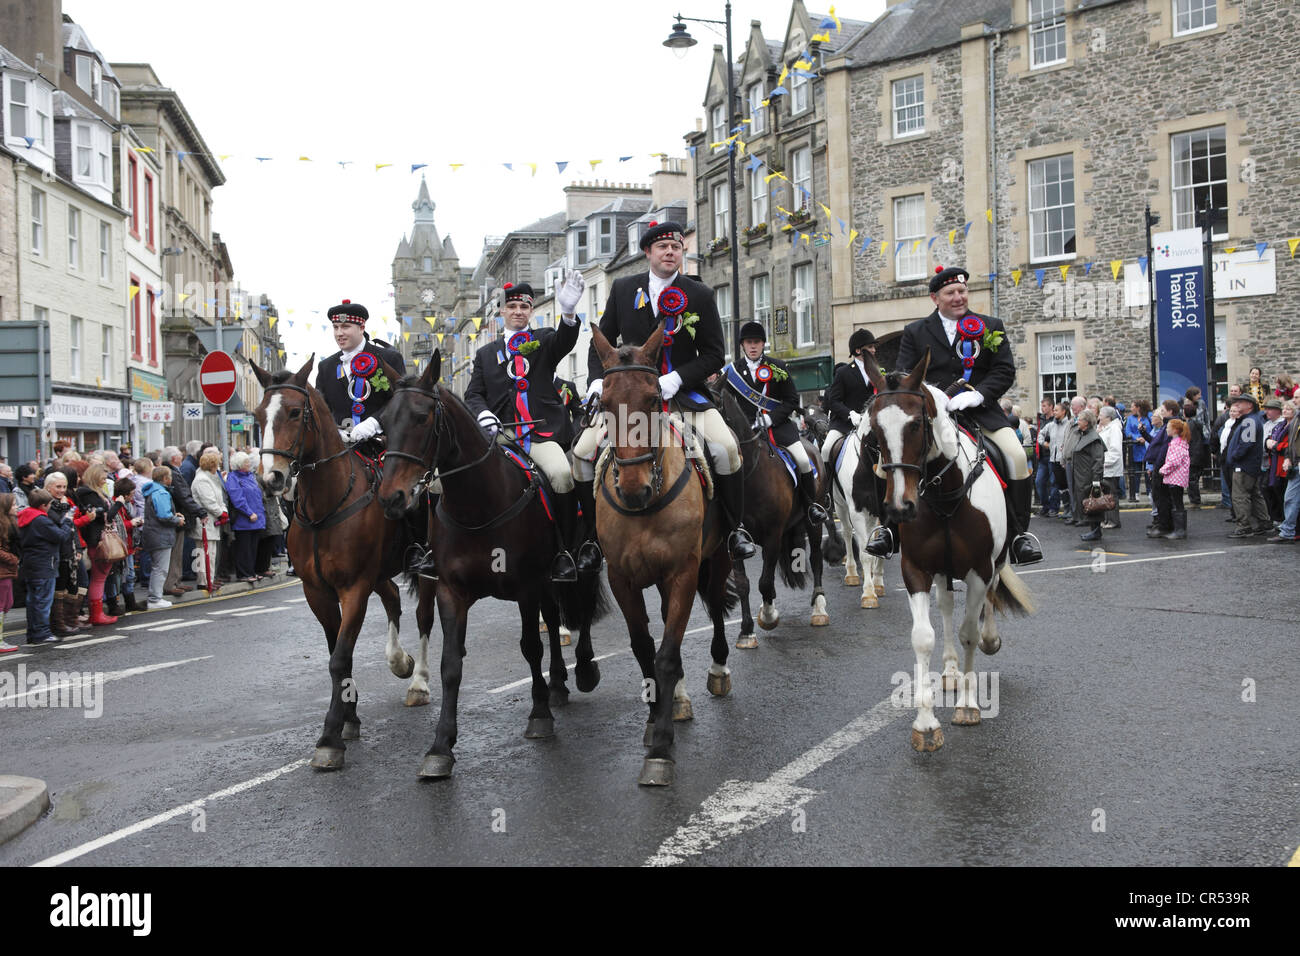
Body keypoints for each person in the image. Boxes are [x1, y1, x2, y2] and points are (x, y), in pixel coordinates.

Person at [571, 221, 755, 565]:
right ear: (648, 253)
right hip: (632, 403)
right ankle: (591, 540)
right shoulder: (625, 289)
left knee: (727, 448)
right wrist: (598, 382)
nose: (670, 252)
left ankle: (734, 530)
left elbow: (715, 353)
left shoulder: (699, 294)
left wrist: (677, 378)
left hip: (685, 398)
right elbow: (602, 346)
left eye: (676, 247)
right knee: (582, 453)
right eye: (662, 247)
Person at [884, 266, 1041, 564]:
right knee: (892, 459)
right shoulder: (915, 331)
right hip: (934, 416)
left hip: (981, 413)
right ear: (935, 298)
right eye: (950, 293)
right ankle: (889, 530)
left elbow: (1004, 369)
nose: (959, 297)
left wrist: (978, 394)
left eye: (962, 291)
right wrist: (935, 396)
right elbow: (903, 374)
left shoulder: (990, 325)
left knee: (1017, 456)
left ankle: (1019, 535)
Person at [465, 274, 585, 581]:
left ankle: (567, 552)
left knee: (560, 475)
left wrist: (569, 314)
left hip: (539, 434)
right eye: (512, 306)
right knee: (452, 479)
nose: (518, 311)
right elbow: (474, 394)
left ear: (530, 311)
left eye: (523, 307)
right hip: (501, 436)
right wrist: (483, 415)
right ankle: (448, 550)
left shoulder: (544, 340)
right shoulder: (485, 355)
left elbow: (565, 341)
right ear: (502, 312)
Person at [722, 320, 829, 524]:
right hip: (747, 433)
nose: (753, 346)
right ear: (742, 345)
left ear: (763, 344)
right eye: (748, 342)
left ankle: (810, 506)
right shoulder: (732, 372)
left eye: (757, 342)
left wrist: (771, 418)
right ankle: (729, 516)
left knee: (803, 459)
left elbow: (790, 400)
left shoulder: (777, 367)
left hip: (779, 428)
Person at [315, 299, 406, 453]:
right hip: (340, 450)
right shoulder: (326, 366)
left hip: (383, 448)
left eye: (345, 327)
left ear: (361, 327)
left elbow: (401, 399)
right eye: (336, 327)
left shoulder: (389, 359)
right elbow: (321, 408)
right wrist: (333, 429)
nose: (339, 333)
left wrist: (374, 422)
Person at [17, 489, 77, 644]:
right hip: (44, 564)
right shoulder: (41, 520)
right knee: (43, 601)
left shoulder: (25, 516)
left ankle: (33, 632)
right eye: (50, 504)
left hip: (30, 563)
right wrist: (68, 521)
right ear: (43, 505)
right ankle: (42, 633)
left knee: (33, 601)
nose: (51, 507)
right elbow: (61, 536)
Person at [71, 463, 126, 626]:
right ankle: (96, 614)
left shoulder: (92, 492)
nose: (105, 480)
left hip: (97, 538)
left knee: (99, 577)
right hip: (97, 539)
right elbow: (104, 517)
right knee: (99, 578)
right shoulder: (89, 493)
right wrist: (118, 504)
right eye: (103, 477)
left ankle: (97, 613)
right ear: (95, 476)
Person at [821, 329, 879, 462]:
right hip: (845, 425)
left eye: (874, 347)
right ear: (858, 350)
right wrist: (850, 414)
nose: (874, 350)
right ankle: (827, 483)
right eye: (870, 347)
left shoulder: (877, 372)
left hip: (871, 424)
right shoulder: (843, 372)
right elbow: (834, 401)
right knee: (826, 449)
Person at [1224, 392, 1270, 538]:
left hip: (1244, 466)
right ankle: (1264, 523)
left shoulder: (1249, 421)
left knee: (1240, 496)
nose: (1237, 404)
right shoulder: (1251, 419)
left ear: (1249, 405)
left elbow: (1246, 443)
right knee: (1255, 495)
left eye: (1241, 402)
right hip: (1250, 465)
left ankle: (1244, 526)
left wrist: (1234, 457)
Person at [141, 466, 186, 608]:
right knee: (160, 568)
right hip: (160, 535)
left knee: (157, 567)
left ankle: (155, 597)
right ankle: (155, 599)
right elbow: (163, 515)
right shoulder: (161, 493)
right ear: (165, 478)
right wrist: (177, 520)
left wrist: (173, 515)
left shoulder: (153, 491)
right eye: (170, 477)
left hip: (154, 533)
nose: (171, 479)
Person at [163, 446, 202, 596]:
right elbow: (184, 496)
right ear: (174, 458)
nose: (182, 457)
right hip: (177, 517)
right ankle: (171, 583)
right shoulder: (173, 473)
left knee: (178, 552)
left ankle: (177, 580)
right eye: (180, 455)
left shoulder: (175, 471)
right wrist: (199, 511)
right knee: (175, 552)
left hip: (180, 516)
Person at [189, 450, 228, 590]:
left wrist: (223, 511)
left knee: (211, 554)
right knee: (203, 553)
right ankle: (203, 581)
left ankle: (209, 578)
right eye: (217, 464)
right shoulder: (201, 480)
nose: (218, 466)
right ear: (212, 465)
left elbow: (219, 498)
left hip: (212, 521)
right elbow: (209, 502)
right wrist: (221, 513)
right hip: (204, 522)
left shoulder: (211, 478)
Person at [224, 452, 266, 583]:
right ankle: (243, 574)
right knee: (244, 548)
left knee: (253, 547)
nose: (249, 464)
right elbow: (238, 499)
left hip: (257, 518)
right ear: (240, 465)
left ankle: (251, 571)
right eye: (246, 463)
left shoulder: (250, 476)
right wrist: (249, 513)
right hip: (244, 520)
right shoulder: (233, 478)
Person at [1268, 396, 1300, 543]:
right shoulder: (1295, 420)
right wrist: (1288, 457)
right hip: (1296, 465)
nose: (1295, 399)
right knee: (1290, 498)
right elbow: (1292, 443)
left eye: (1297, 397)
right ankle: (1288, 531)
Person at [1071, 410, 1106, 542]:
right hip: (1081, 476)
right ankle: (1093, 529)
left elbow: (1098, 460)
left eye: (1079, 419)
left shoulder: (1094, 438)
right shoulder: (1084, 435)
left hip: (1089, 477)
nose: (1077, 422)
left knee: (1094, 503)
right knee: (1087, 503)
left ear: (1086, 422)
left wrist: (1096, 481)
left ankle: (1096, 531)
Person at [1213, 385, 1243, 517]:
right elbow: (1218, 437)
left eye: (1234, 411)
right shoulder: (1226, 423)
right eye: (1230, 411)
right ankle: (1234, 513)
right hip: (1225, 458)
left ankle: (1239, 515)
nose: (1232, 413)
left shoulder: (1240, 425)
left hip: (1234, 461)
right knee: (1229, 486)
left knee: (1237, 489)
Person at [1159, 419, 1191, 539]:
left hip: (1175, 477)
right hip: (1177, 477)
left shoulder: (1176, 444)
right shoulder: (1179, 442)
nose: (1166, 429)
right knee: (1177, 502)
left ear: (1175, 430)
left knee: (1177, 503)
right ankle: (1179, 529)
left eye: (1168, 427)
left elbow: (1174, 462)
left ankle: (1180, 531)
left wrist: (1162, 470)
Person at [1261, 398, 1288, 524]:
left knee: (1278, 490)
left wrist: (1271, 444)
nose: (1267, 411)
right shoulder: (1266, 424)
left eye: (1270, 409)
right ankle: (1275, 517)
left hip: (1278, 462)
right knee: (1267, 489)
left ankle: (1281, 518)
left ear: (1278, 411)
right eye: (1266, 409)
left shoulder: (1282, 424)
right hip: (1266, 462)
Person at [1097, 405, 1124, 529]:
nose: (1099, 418)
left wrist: (1104, 463)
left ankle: (1113, 521)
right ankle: (1107, 519)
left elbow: (1115, 450)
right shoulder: (1106, 428)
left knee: (1111, 495)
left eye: (1101, 416)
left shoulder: (1114, 429)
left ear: (1108, 417)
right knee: (1105, 496)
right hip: (1105, 468)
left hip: (1110, 468)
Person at [0, 493, 19, 652]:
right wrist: (14, 559)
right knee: (1, 605)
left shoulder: (9, 523)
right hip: (2, 571)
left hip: (6, 570)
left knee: (7, 603)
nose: (16, 507)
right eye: (13, 505)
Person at [1124, 400, 1153, 502]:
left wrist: (1145, 438)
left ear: (1138, 408)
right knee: (1135, 473)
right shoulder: (1130, 419)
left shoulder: (1148, 417)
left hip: (1147, 447)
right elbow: (1127, 431)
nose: (1131, 409)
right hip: (1135, 449)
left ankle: (1150, 492)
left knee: (1147, 471)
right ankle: (1135, 493)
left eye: (1132, 407)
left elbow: (1152, 429)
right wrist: (1137, 438)